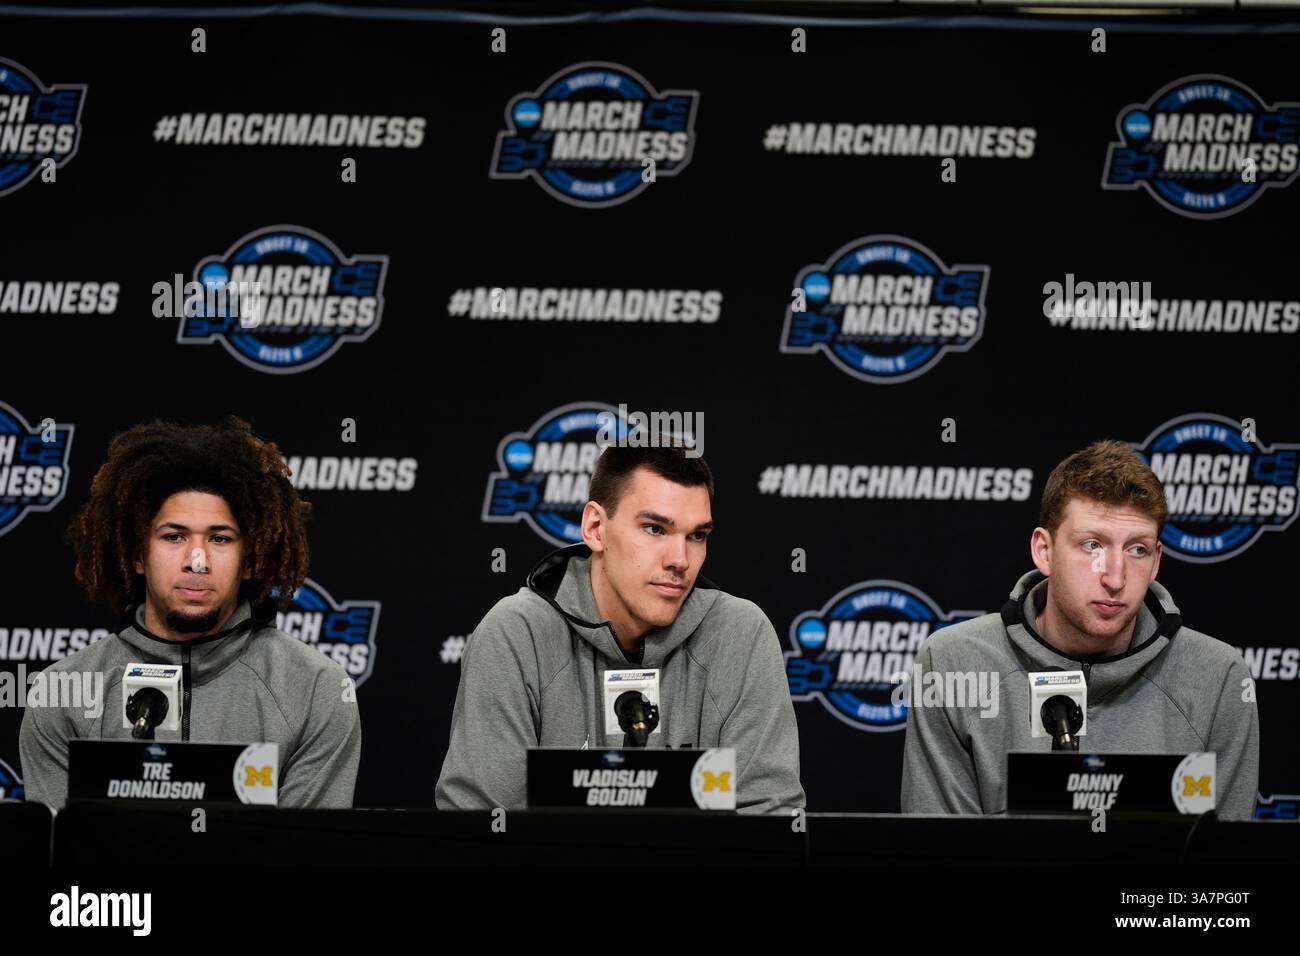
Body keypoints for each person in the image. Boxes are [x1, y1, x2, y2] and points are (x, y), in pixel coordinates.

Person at [901, 439, 1259, 820]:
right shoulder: (954, 664)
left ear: (1155, 562)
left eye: (1136, 549)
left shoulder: (1218, 677)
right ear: (1044, 551)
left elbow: (1222, 867)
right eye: (1092, 545)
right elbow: (941, 859)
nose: (1116, 577)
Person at [437, 443, 805, 813]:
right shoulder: (517, 635)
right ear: (596, 528)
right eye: (655, 529)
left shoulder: (740, 635)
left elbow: (769, 824)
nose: (680, 560)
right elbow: (479, 827)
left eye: (697, 536)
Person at [19, 417, 361, 810]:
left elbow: (301, 862)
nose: (196, 561)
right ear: (137, 555)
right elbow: (58, 857)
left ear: (249, 561)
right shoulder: (61, 694)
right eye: (174, 536)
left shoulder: (316, 690)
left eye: (219, 538)